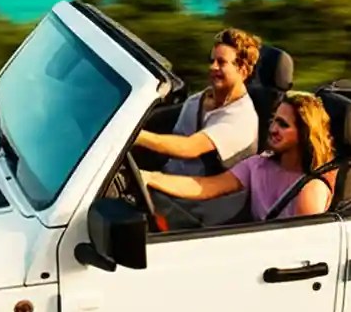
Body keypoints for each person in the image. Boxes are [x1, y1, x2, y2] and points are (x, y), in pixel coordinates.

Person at [142, 91, 337, 223]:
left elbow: (306, 248)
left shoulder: (311, 188)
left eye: (283, 125)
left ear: (304, 134)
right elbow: (205, 187)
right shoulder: (258, 165)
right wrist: (150, 178)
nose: (273, 129)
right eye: (274, 121)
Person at [134, 28, 261, 176]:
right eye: (212, 60)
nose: (213, 67)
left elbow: (189, 148)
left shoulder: (241, 120)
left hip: (197, 195)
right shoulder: (196, 101)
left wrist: (133, 135)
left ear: (243, 71)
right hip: (166, 179)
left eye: (221, 62)